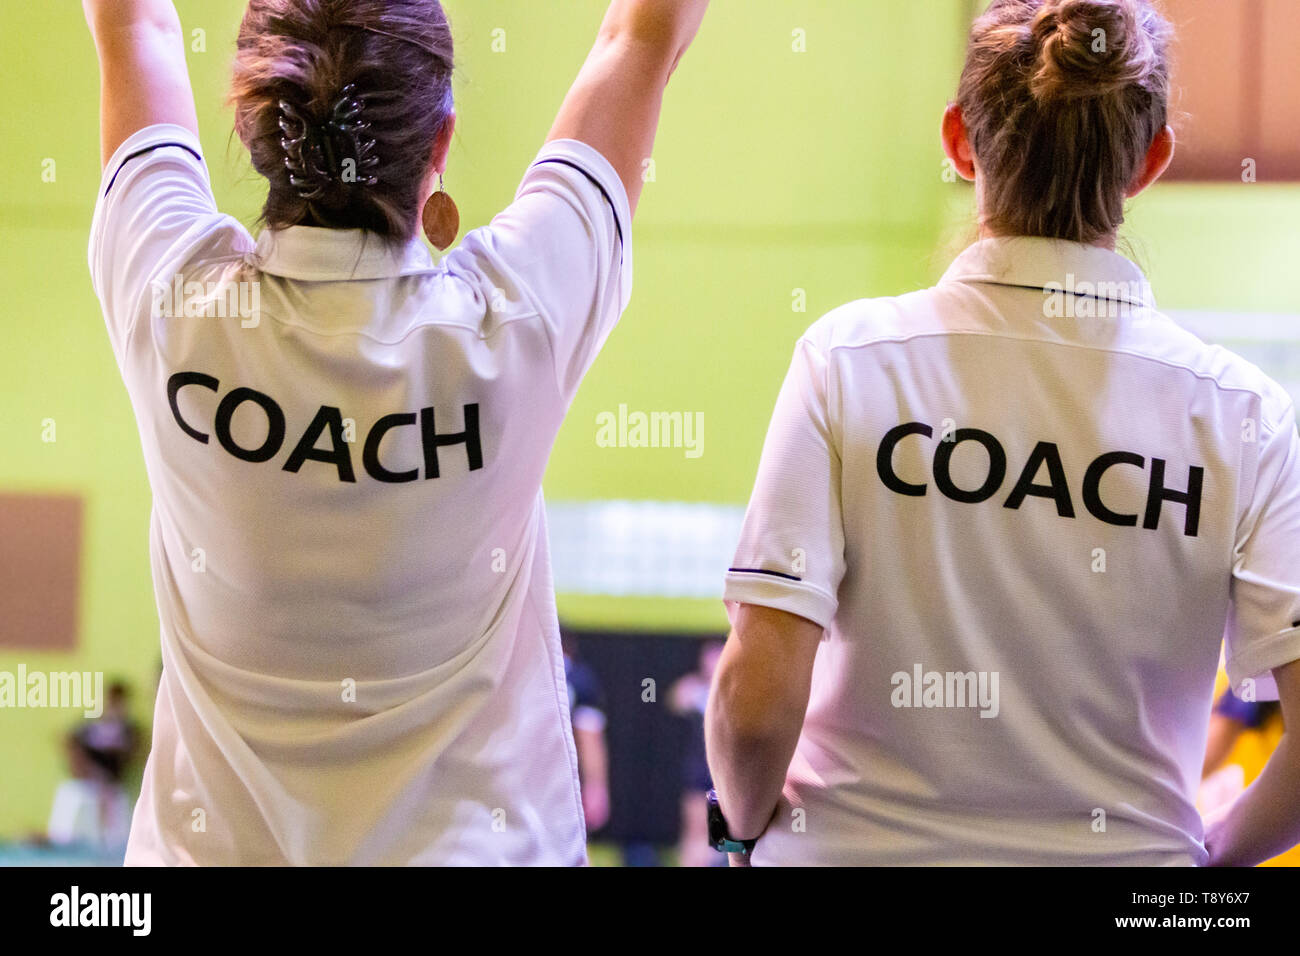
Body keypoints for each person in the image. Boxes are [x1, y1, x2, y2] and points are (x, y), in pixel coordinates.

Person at [82, 0, 708, 865]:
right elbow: (640, 38)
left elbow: (136, 28)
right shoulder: (517, 313)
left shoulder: (174, 297)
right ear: (441, 140)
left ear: (250, 119)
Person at [706, 0, 1300, 866]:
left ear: (958, 141)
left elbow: (755, 706)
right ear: (1151, 161)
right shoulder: (1243, 413)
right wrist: (1203, 865)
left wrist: (743, 831)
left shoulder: (852, 357)